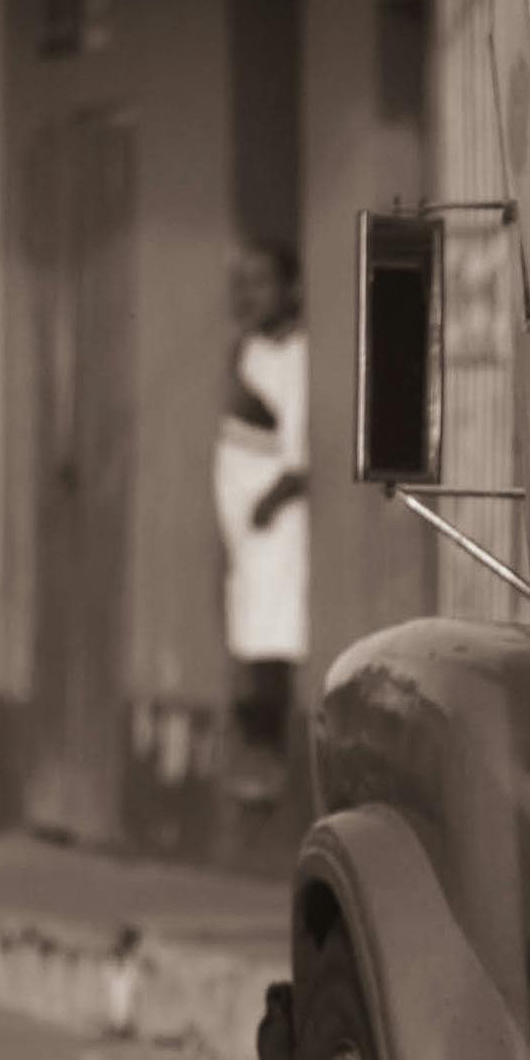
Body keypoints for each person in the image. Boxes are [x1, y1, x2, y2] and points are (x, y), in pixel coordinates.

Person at [215, 243, 311, 800]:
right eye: (241, 283)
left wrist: (265, 504)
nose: (248, 295)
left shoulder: (297, 353)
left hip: (274, 526)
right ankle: (256, 762)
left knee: (271, 636)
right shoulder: (250, 350)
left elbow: (298, 456)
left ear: (291, 289)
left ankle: (269, 763)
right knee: (251, 632)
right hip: (247, 534)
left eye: (261, 282)